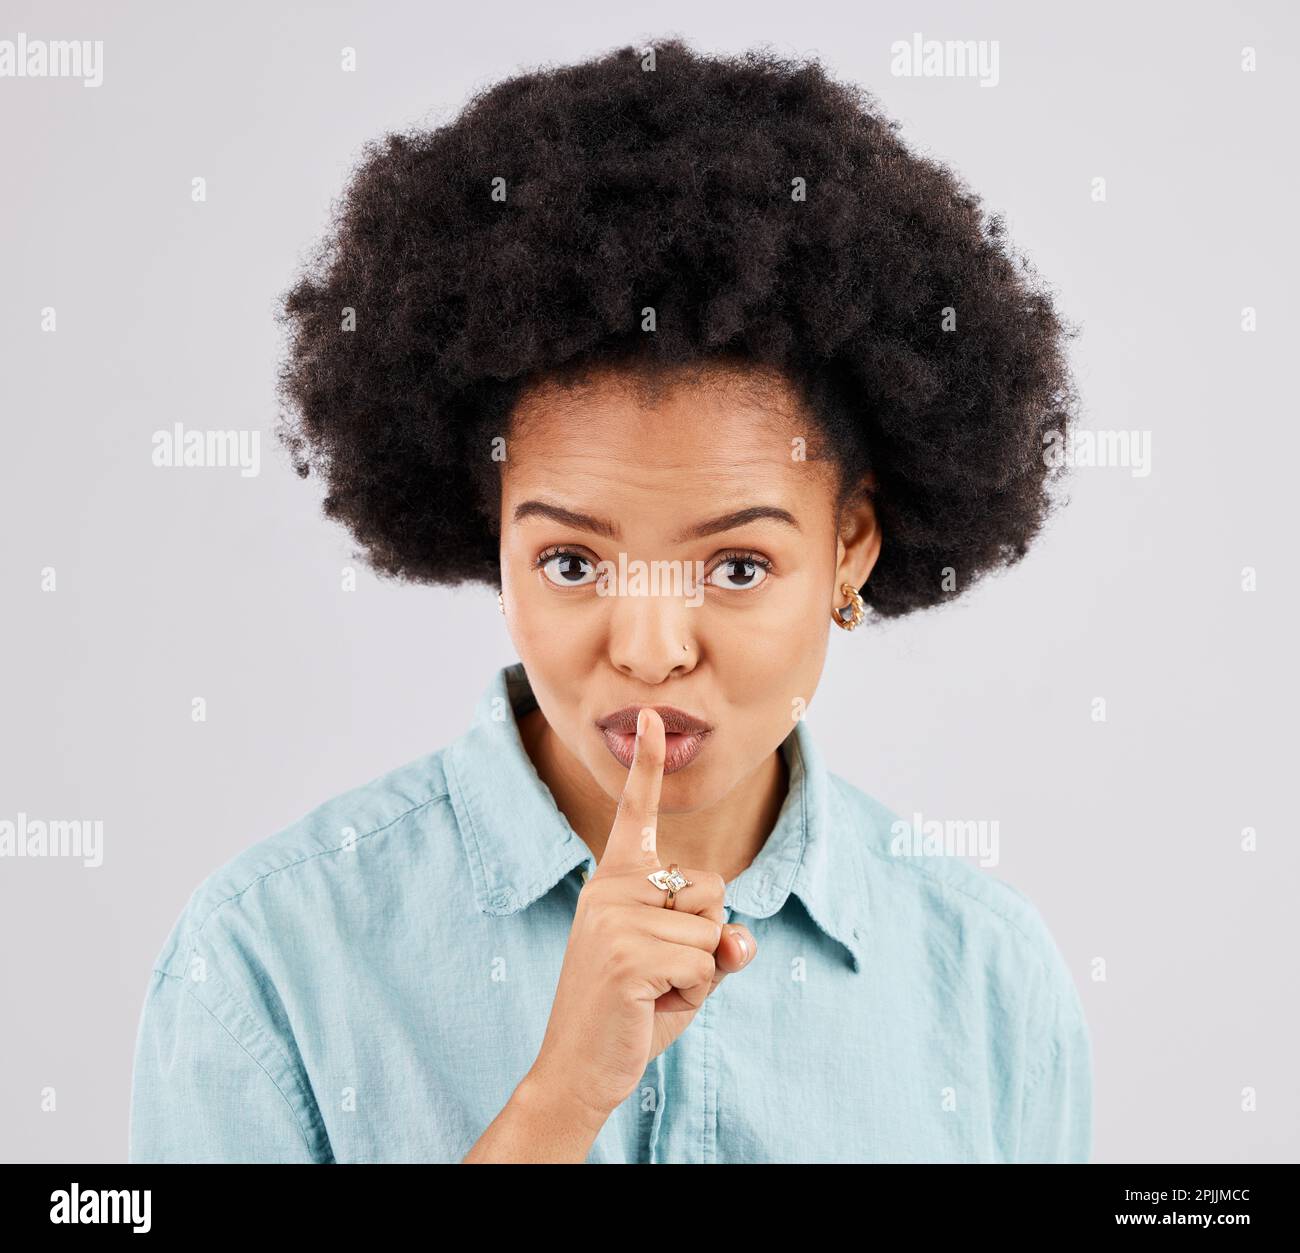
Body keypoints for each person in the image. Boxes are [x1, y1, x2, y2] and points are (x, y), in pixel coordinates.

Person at [128, 38, 1091, 1163]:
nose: (645, 649)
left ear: (850, 549)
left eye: (735, 567)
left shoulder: (986, 979)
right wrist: (558, 1102)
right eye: (573, 563)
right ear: (493, 541)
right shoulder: (269, 956)